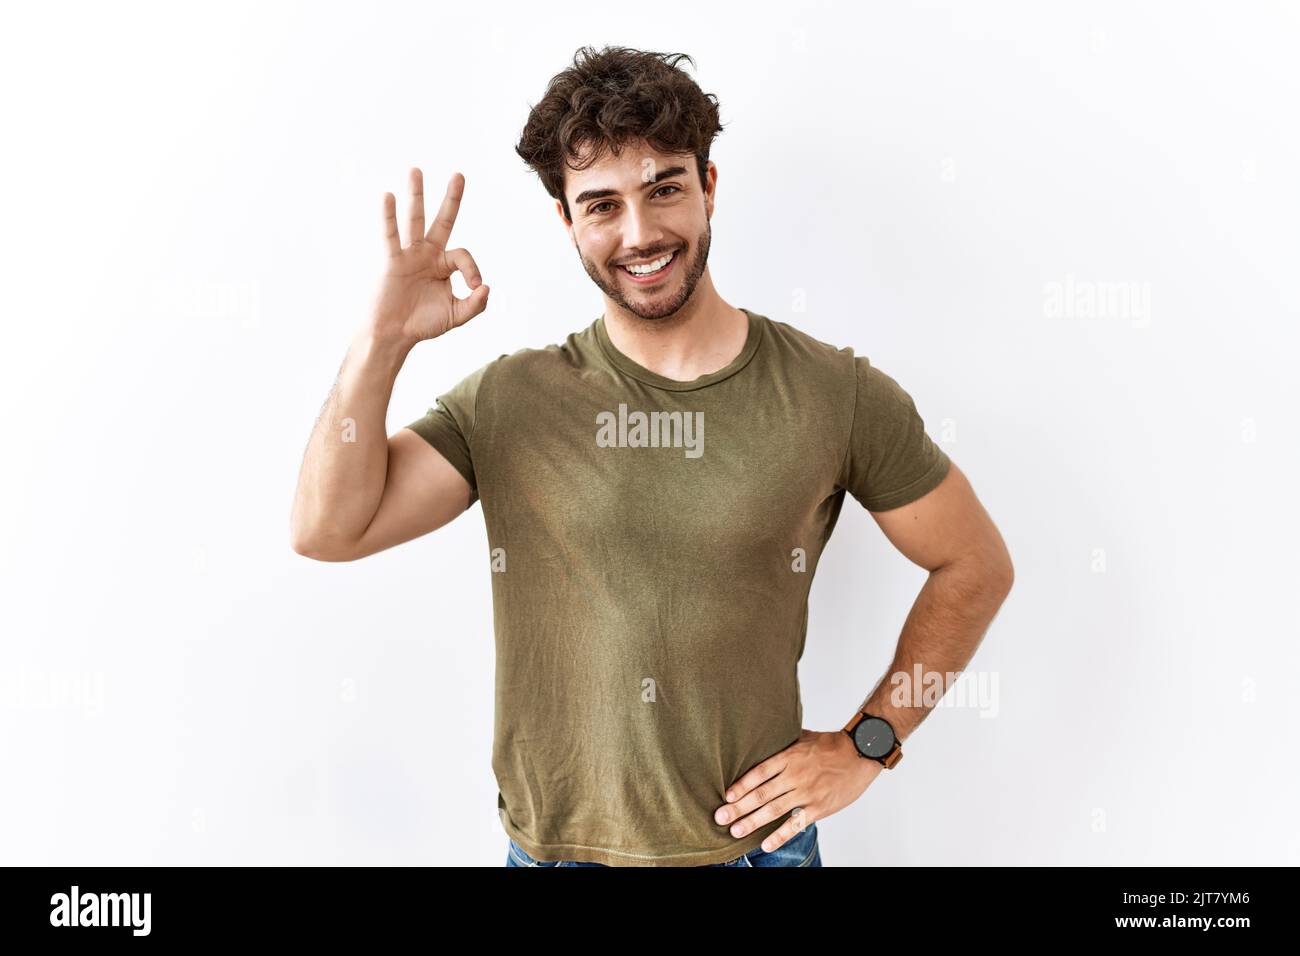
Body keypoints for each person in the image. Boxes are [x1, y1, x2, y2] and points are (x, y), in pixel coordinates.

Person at [289, 45, 1014, 868]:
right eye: (601, 205)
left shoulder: (833, 392)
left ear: (709, 187)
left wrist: (868, 744)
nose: (640, 235)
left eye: (664, 188)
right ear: (566, 221)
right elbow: (327, 530)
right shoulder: (509, 401)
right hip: (556, 855)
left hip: (756, 854)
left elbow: (975, 563)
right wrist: (381, 343)